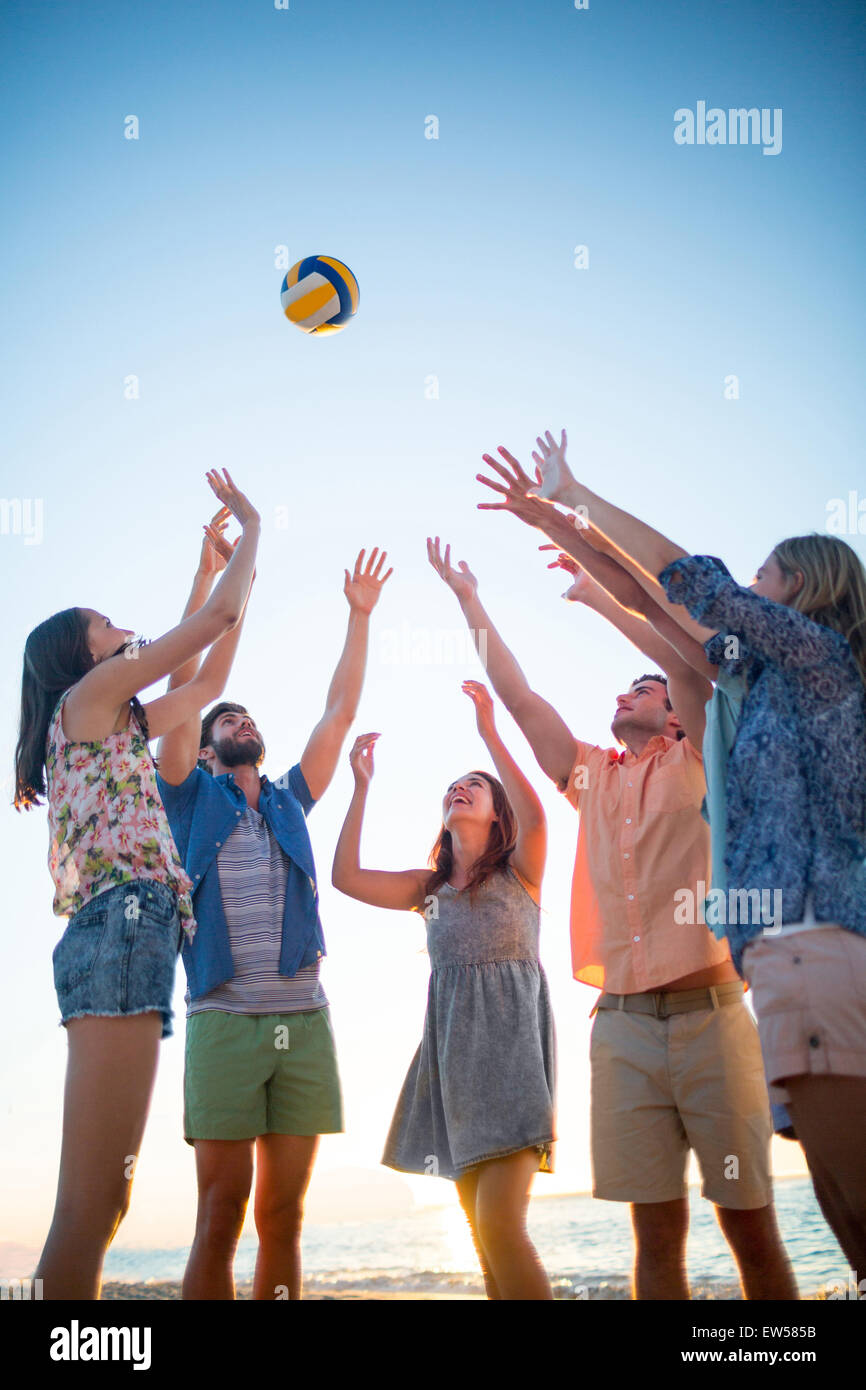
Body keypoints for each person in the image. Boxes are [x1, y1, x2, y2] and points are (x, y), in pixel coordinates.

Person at [510, 426, 866, 1272]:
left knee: (855, 1196)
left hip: (816, 947)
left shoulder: (819, 661)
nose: (746, 589)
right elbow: (656, 614)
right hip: (781, 961)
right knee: (843, 1209)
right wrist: (563, 529)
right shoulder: (758, 681)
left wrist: (580, 495)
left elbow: (685, 584)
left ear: (803, 592)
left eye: (764, 579)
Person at [428, 523, 797, 1300]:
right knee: (653, 1232)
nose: (629, 691)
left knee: (748, 1224)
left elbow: (686, 660)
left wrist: (598, 586)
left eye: (646, 689)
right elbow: (523, 699)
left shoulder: (702, 758)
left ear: (673, 715)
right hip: (622, 1025)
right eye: (627, 686)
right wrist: (470, 601)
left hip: (711, 1013)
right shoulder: (590, 777)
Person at [13, 471, 260, 1299]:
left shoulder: (108, 718)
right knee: (90, 1205)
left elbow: (202, 671)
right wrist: (253, 531)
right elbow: (208, 627)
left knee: (101, 1201)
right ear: (82, 652)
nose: (124, 629)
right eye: (107, 624)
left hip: (129, 929)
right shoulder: (88, 697)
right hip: (121, 925)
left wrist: (222, 570)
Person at [155, 547, 392, 1300]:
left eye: (246, 715)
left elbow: (339, 711)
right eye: (226, 717)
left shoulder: (290, 798)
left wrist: (359, 617)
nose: (239, 718)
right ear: (199, 745)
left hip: (304, 1022)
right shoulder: (186, 797)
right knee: (220, 1214)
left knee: (283, 1218)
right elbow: (186, 687)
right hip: (225, 1021)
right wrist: (222, 588)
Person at [332, 679, 555, 1301]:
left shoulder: (521, 873)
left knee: (501, 1229)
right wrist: (362, 787)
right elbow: (346, 876)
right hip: (452, 1071)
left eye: (474, 785)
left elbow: (538, 812)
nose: (460, 788)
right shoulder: (426, 890)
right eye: (452, 786)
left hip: (514, 1065)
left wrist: (490, 732)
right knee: (485, 1247)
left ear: (495, 810)